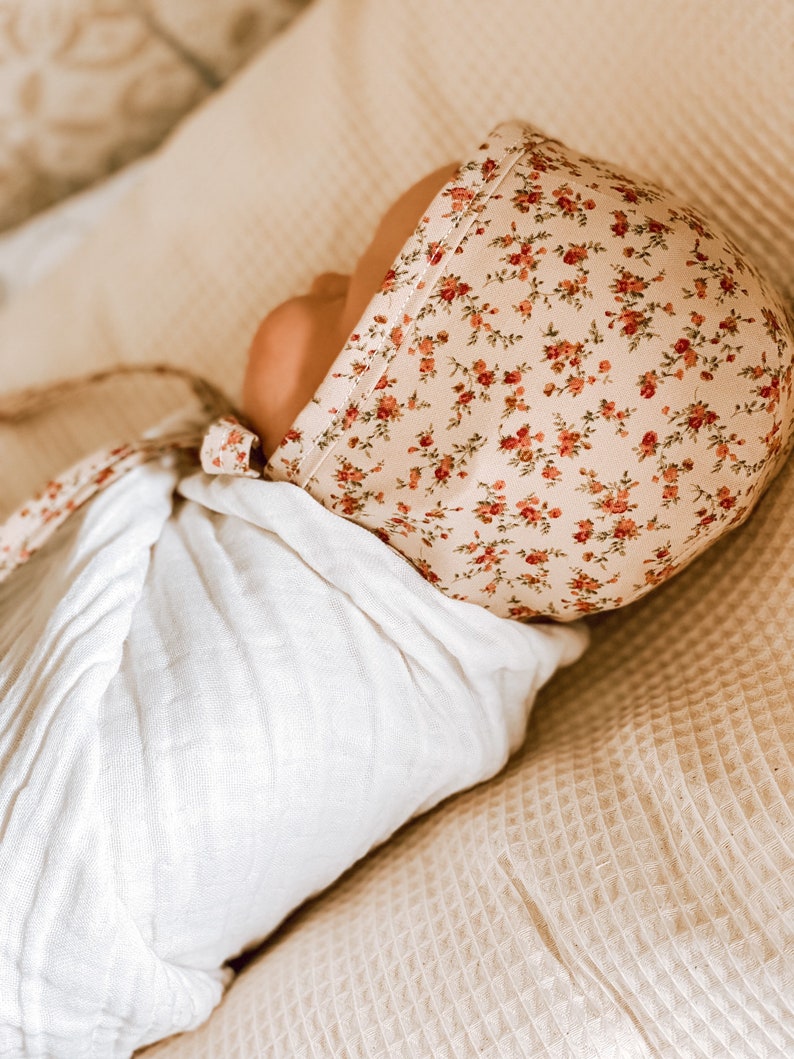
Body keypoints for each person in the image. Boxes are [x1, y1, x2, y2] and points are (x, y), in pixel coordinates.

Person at [0, 121, 791, 1058]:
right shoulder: (352, 570)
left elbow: (59, 891)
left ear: (412, 429)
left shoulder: (370, 673)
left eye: (353, 298)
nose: (320, 283)